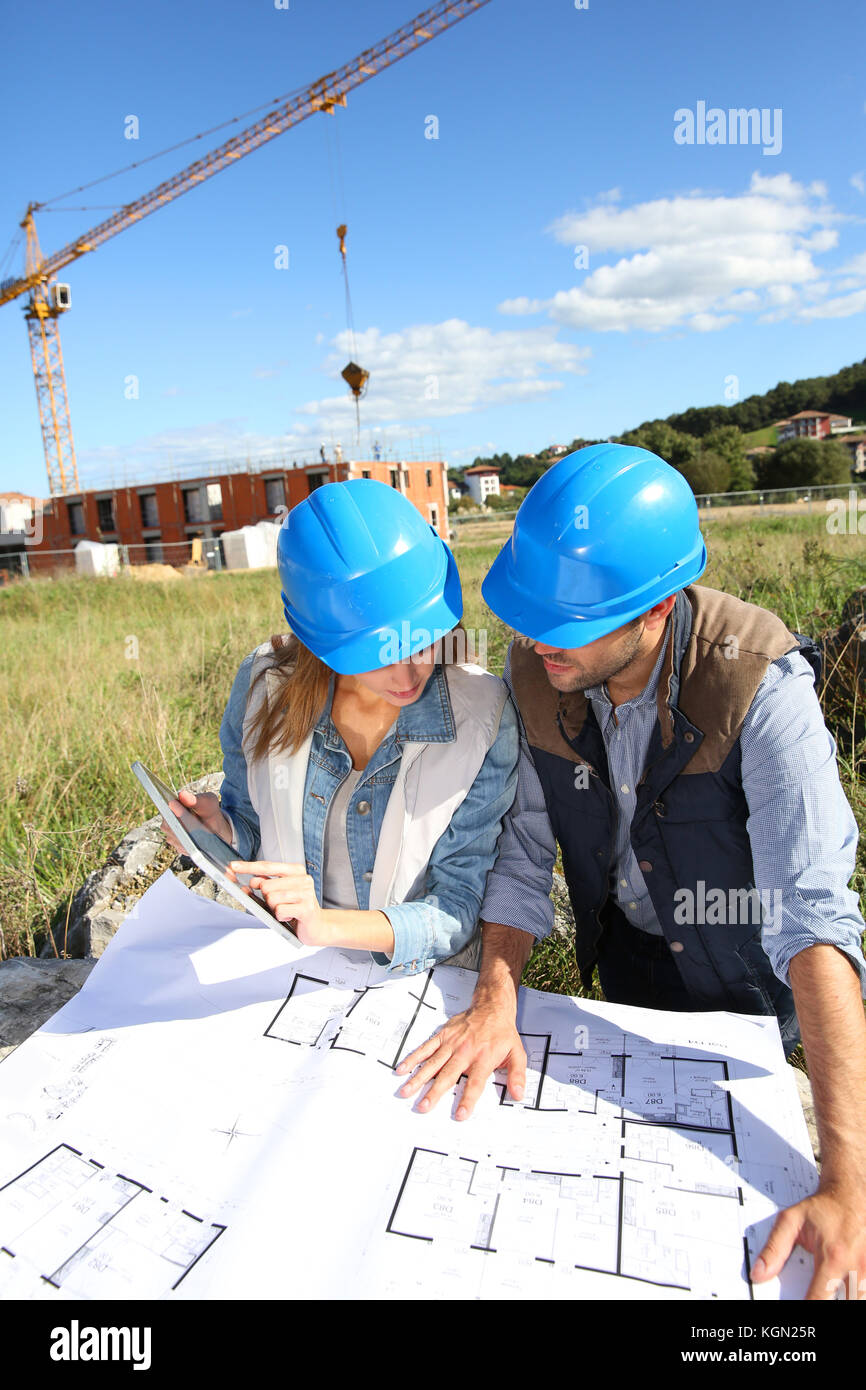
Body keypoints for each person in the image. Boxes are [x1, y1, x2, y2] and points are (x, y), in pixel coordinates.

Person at [397, 442, 866, 1299]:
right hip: (629, 980)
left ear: (653, 611)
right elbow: (525, 852)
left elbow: (814, 921)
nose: (536, 642)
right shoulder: (541, 674)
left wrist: (847, 1184)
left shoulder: (761, 688)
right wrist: (497, 997)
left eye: (565, 625)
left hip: (763, 1004)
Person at [160, 477, 518, 972]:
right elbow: (253, 827)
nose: (408, 673)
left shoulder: (486, 717)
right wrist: (221, 831)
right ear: (318, 638)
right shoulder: (265, 684)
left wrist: (325, 925)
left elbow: (457, 907)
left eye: (423, 642)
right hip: (288, 974)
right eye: (377, 656)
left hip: (417, 987)